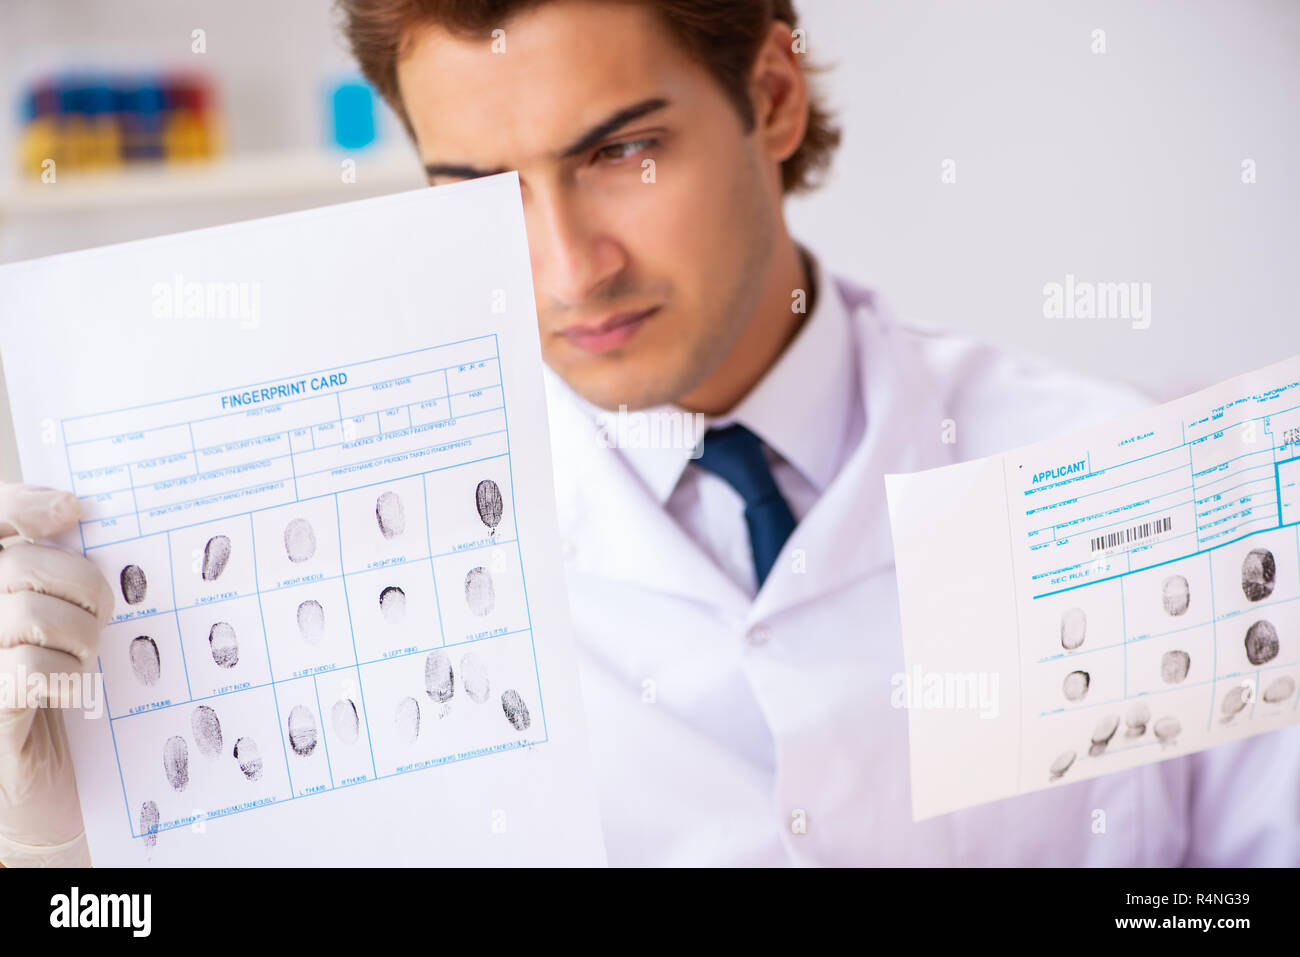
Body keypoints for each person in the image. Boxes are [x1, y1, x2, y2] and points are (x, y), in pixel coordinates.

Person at [2, 0, 1298, 867]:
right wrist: (69, 857)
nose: (565, 268)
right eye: (485, 191)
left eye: (622, 151)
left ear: (773, 96)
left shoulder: (1127, 470)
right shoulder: (341, 586)